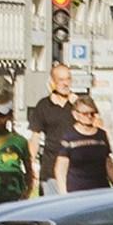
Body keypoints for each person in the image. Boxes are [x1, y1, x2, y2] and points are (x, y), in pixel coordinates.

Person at [28, 64, 86, 193]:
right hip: (50, 172)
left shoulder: (79, 104)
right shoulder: (44, 105)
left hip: (76, 172)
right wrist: (30, 165)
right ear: (52, 82)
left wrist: (79, 105)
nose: (66, 83)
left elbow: (97, 126)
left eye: (68, 79)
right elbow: (34, 138)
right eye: (61, 80)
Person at [0, 101, 34, 204]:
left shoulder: (20, 141)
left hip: (16, 189)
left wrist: (29, 188)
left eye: (2, 116)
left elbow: (28, 166)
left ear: (9, 117)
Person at [62, 95, 113, 190]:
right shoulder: (69, 137)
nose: (89, 117)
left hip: (101, 189)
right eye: (85, 114)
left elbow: (108, 164)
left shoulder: (101, 135)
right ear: (75, 114)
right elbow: (61, 167)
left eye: (93, 113)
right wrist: (63, 193)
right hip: (77, 190)